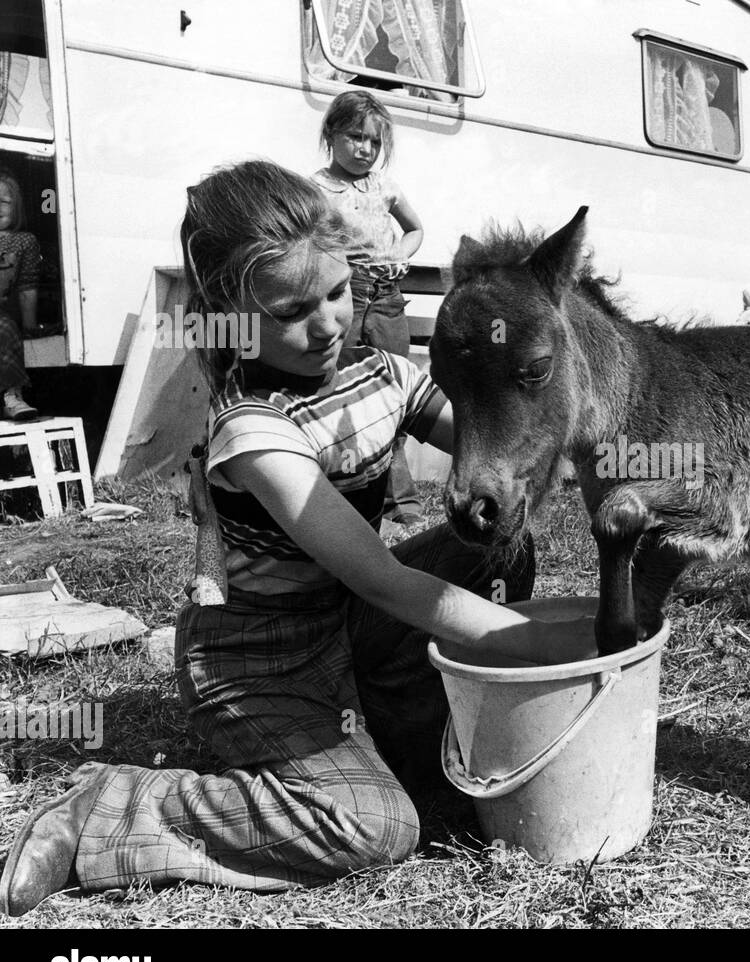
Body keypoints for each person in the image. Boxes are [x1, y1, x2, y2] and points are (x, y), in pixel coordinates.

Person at [0, 160, 592, 917]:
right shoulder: (253, 430)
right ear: (232, 311)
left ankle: (397, 733)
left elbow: (502, 442)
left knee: (497, 541)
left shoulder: (384, 374)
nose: (327, 325)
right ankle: (115, 806)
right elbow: (384, 578)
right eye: (291, 310)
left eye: (339, 293)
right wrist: (541, 647)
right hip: (261, 663)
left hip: (346, 629)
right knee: (376, 823)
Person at [311, 91, 425, 525]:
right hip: (348, 295)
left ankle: (404, 503)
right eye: (355, 137)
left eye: (375, 142)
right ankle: (342, 492)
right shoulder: (316, 188)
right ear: (331, 134)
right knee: (341, 391)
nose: (365, 149)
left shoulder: (385, 187)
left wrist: (401, 250)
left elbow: (415, 229)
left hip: (388, 297)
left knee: (394, 391)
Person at [0, 168, 42, 420]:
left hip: (3, 314)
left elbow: (27, 288)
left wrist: (30, 326)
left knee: (4, 330)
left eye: (4, 201)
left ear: (17, 207)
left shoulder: (24, 241)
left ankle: (12, 395)